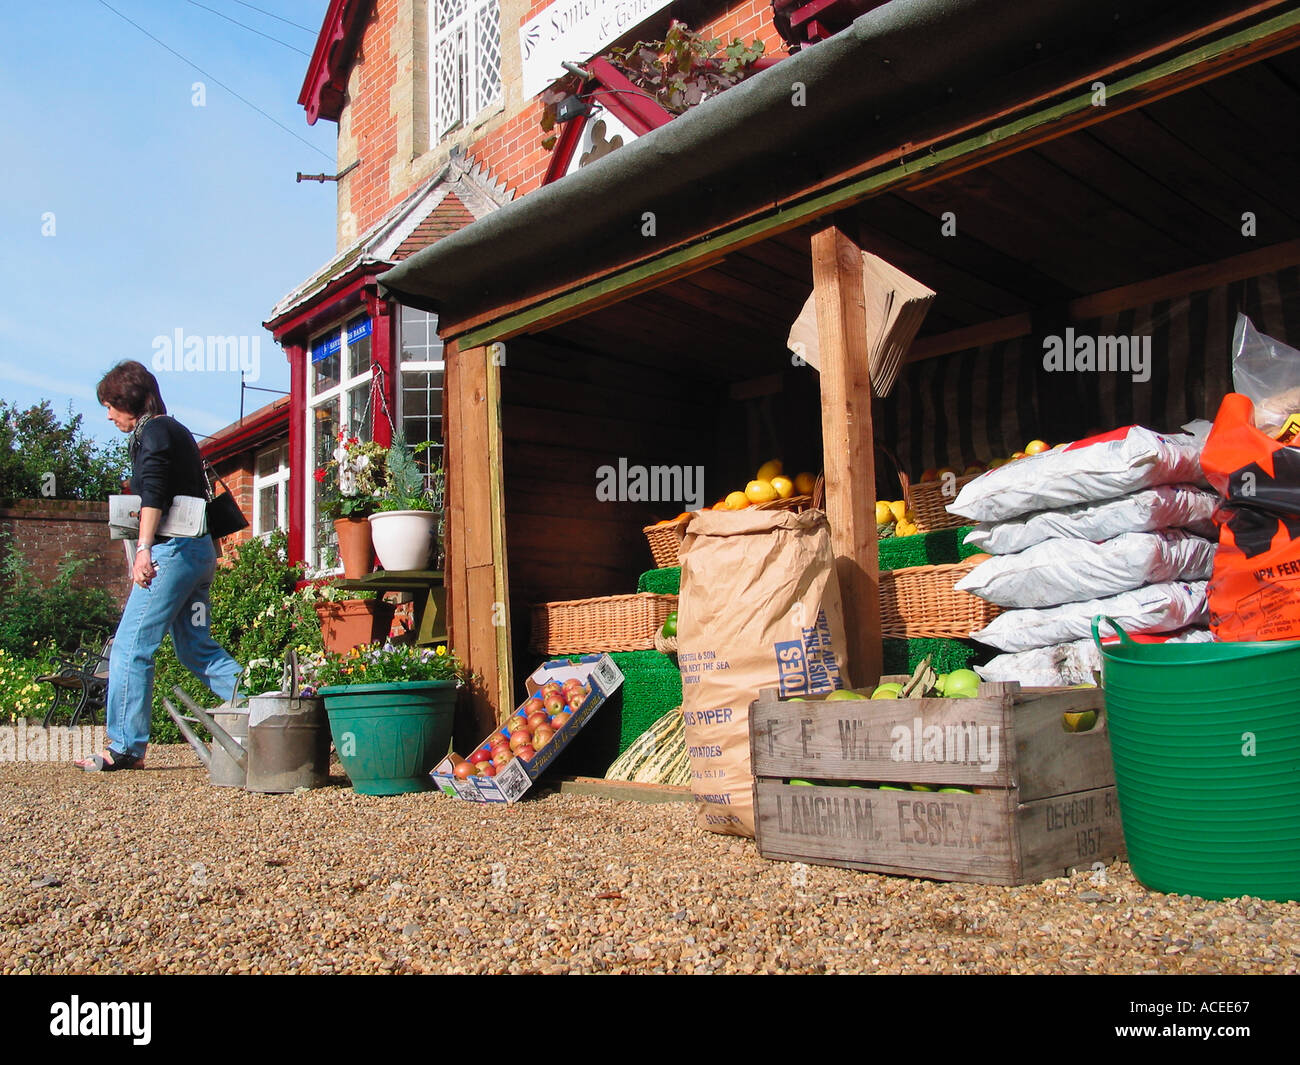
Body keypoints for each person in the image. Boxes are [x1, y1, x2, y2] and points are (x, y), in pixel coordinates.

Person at [76, 360, 243, 771]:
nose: (109, 415)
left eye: (111, 405)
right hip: (199, 552)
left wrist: (144, 549)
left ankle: (125, 748)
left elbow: (154, 494)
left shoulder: (152, 431)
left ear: (127, 400)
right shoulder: (176, 430)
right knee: (195, 648)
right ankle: (276, 704)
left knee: (131, 648)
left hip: (172, 553)